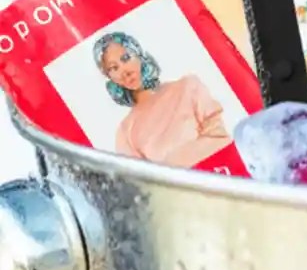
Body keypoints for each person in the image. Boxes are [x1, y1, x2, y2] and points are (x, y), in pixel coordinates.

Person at [93, 32, 232, 168]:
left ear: (139, 55)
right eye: (114, 68)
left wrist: (177, 161)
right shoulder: (125, 133)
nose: (124, 71)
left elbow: (220, 138)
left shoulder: (188, 87)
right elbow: (145, 182)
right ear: (109, 77)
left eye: (126, 58)